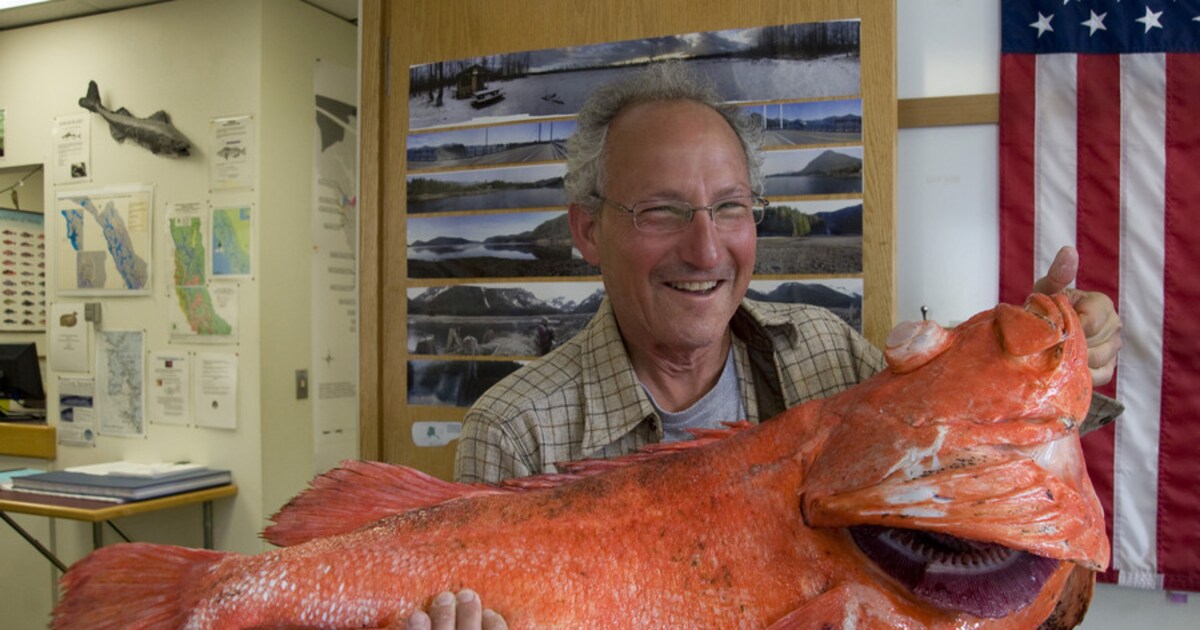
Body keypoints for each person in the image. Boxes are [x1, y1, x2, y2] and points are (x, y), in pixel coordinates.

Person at [402, 62, 1123, 629]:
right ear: (587, 230)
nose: (706, 247)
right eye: (663, 211)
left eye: (731, 207)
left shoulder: (830, 354)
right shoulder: (514, 428)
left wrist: (1064, 372)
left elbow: (965, 466)